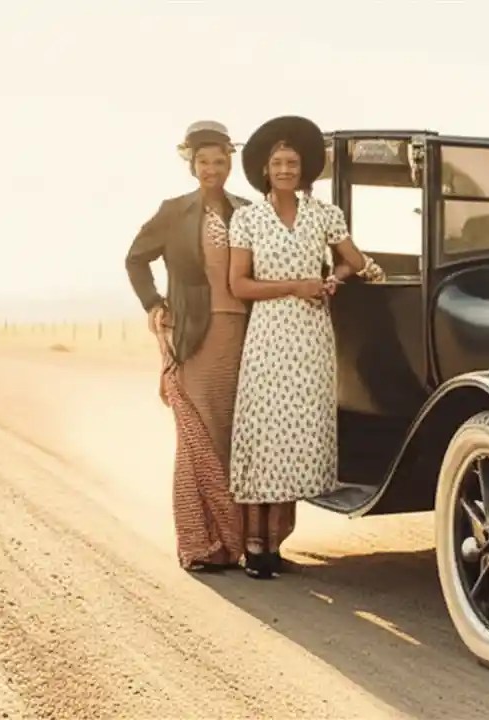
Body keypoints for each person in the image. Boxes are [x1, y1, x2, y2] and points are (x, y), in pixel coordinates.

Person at [226, 115, 385, 579]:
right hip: (269, 334)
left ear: (303, 168)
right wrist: (296, 285)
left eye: (292, 161)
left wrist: (331, 281)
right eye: (277, 162)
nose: (284, 169)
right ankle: (254, 544)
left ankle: (277, 541)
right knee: (264, 431)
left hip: (311, 337)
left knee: (297, 433)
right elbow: (239, 284)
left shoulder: (323, 214)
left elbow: (354, 260)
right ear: (264, 169)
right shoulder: (248, 219)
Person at [124, 120, 251, 572]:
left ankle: (236, 543)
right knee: (196, 435)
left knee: (230, 435)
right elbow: (136, 258)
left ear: (230, 163)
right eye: (203, 161)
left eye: (219, 161)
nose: (211, 169)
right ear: (191, 164)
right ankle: (199, 544)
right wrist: (154, 302)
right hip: (192, 331)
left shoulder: (247, 210)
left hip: (244, 334)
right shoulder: (173, 211)